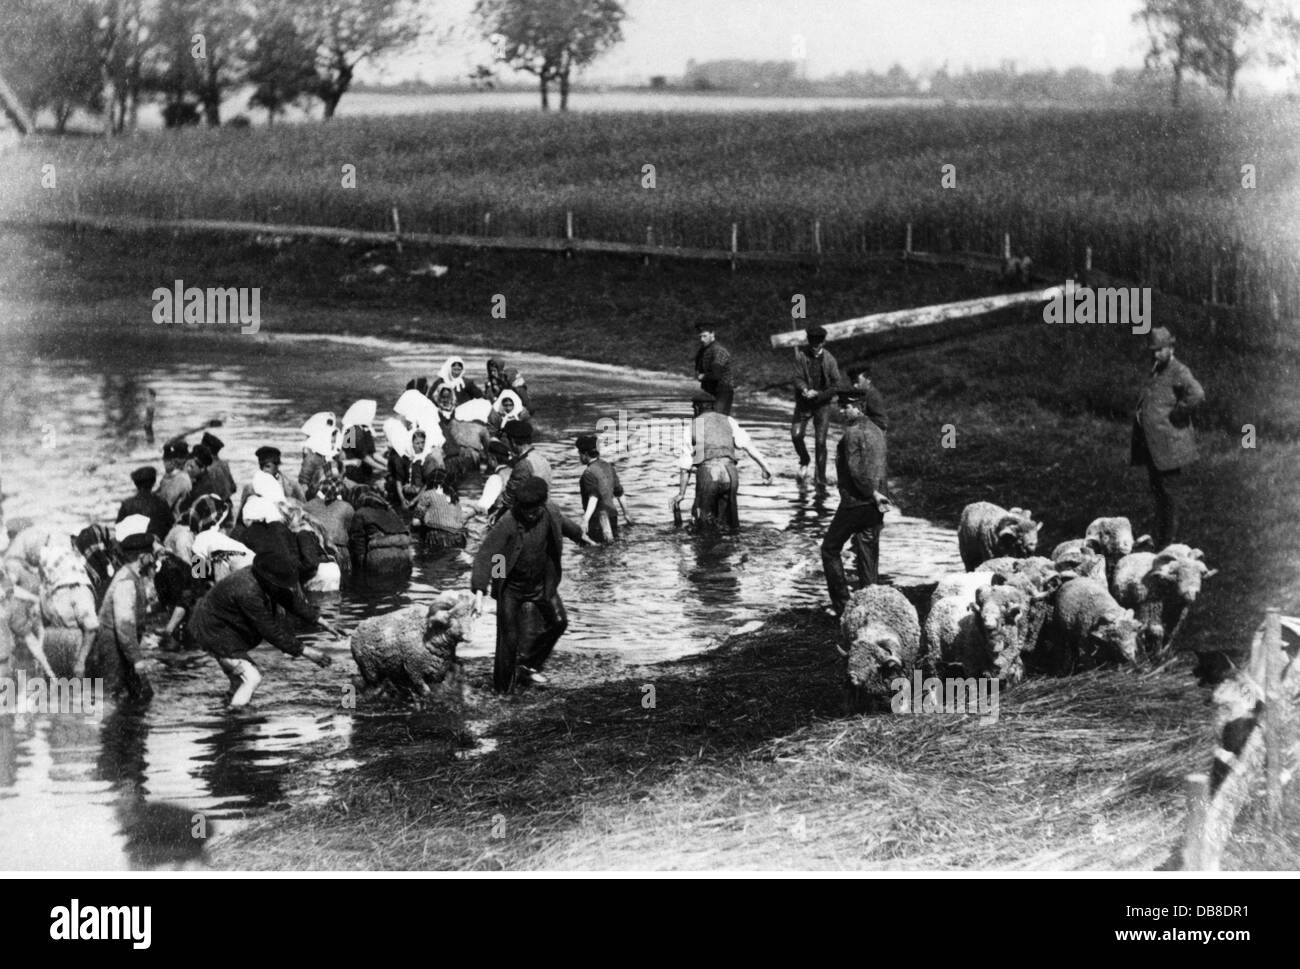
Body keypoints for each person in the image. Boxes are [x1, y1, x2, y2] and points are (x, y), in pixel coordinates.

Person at [471, 477, 594, 694]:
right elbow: (487, 553)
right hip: (511, 586)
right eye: (525, 510)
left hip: (541, 583)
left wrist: (582, 538)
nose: (529, 514)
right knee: (507, 639)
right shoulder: (508, 521)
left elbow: (565, 525)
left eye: (533, 510)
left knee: (559, 622)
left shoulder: (550, 511)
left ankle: (529, 664)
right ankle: (503, 691)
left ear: (542, 504)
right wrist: (480, 593)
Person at [189, 547, 337, 708]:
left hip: (219, 626)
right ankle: (236, 719)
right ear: (269, 579)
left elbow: (288, 599)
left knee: (239, 682)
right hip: (214, 632)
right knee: (252, 678)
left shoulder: (261, 578)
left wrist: (320, 620)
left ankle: (228, 711)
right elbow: (269, 630)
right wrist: (306, 651)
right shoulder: (247, 591)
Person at [1131, 326, 1205, 548]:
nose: (1155, 354)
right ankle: (1161, 537)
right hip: (1155, 447)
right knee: (1159, 494)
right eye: (1153, 350)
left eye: (1160, 350)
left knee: (1169, 496)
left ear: (1171, 348)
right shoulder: (1157, 369)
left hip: (1169, 446)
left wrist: (1177, 415)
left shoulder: (1178, 370)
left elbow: (1197, 394)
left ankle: (1169, 543)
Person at [821, 389, 891, 615]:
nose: (841, 411)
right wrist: (880, 495)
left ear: (858, 407)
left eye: (845, 407)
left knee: (829, 549)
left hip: (856, 502)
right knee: (867, 553)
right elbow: (881, 469)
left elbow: (855, 472)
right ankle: (872, 606)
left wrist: (870, 493)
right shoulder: (878, 430)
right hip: (876, 505)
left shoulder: (852, 433)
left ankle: (842, 607)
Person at [674, 391, 772, 530]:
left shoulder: (693, 426)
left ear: (696, 408)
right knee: (729, 525)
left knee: (702, 523)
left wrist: (681, 494)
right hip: (730, 474)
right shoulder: (728, 420)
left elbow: (685, 466)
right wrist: (765, 467)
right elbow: (748, 446)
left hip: (708, 474)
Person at [91, 515, 157, 704]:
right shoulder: (126, 582)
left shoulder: (133, 576)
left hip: (123, 647)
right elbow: (124, 625)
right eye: (150, 554)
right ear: (142, 557)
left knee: (142, 695)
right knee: (113, 695)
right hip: (113, 647)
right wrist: (136, 659)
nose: (153, 558)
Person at [791, 324, 841, 484]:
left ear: (823, 342)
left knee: (820, 441)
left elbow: (836, 385)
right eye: (812, 342)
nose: (815, 345)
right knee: (796, 435)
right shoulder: (801, 356)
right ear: (808, 341)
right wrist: (804, 389)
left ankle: (821, 478)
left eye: (818, 342)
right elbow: (797, 378)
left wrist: (819, 394)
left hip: (822, 405)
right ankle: (804, 459)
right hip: (804, 403)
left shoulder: (830, 359)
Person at [576, 434, 631, 542]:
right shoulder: (608, 466)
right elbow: (619, 492)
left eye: (579, 453)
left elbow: (593, 496)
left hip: (597, 520)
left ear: (585, 454)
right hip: (613, 517)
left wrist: (585, 519)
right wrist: (626, 514)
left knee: (597, 550)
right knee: (610, 548)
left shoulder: (588, 473)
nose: (579, 457)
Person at [347, 486, 414, 575]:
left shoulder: (360, 513)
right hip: (405, 556)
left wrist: (361, 570)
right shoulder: (391, 512)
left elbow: (358, 546)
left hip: (380, 558)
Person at [495, 420, 551, 519]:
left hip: (528, 516)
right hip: (544, 511)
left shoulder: (523, 465)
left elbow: (509, 499)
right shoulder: (542, 459)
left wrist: (497, 516)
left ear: (512, 441)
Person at [236, 446, 305, 521]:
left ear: (277, 466)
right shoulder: (250, 488)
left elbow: (305, 512)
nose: (264, 470)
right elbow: (240, 519)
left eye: (268, 466)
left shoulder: (293, 486)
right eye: (261, 467)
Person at [412, 468, 469, 548]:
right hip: (459, 538)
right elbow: (461, 520)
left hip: (438, 538)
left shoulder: (427, 495)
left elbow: (415, 522)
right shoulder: (454, 496)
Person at [117, 466, 173, 540]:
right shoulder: (161, 502)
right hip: (157, 544)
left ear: (135, 484)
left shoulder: (127, 504)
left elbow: (119, 529)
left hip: (132, 546)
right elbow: (170, 525)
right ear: (153, 482)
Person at [340, 400, 385, 486]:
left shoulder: (364, 429)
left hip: (364, 468)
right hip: (355, 470)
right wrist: (382, 467)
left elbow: (372, 453)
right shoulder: (353, 432)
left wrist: (386, 463)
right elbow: (363, 456)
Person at [694, 322, 735, 415]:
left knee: (718, 418)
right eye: (700, 336)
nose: (702, 339)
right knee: (703, 418)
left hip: (723, 390)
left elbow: (716, 375)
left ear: (712, 334)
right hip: (708, 389)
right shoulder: (702, 351)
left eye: (705, 336)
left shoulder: (719, 351)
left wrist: (702, 377)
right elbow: (698, 369)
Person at [298, 412, 338, 501]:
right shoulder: (311, 457)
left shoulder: (331, 454)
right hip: (315, 493)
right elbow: (303, 482)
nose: (333, 440)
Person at [468, 440, 513, 519]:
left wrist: (465, 517)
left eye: (487, 458)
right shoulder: (513, 471)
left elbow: (483, 505)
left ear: (493, 459)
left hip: (500, 518)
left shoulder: (495, 478)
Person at [844, 364, 890, 433]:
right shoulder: (860, 394)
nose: (854, 386)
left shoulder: (873, 396)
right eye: (852, 382)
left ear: (868, 380)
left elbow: (882, 423)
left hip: (872, 436)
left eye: (857, 382)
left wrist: (858, 416)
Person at [157, 440, 193, 516]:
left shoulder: (180, 477)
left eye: (168, 460)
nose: (166, 463)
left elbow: (167, 503)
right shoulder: (178, 474)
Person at [201, 431, 238, 499]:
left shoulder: (208, 468)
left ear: (207, 448)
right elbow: (233, 488)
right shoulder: (224, 464)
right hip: (227, 503)